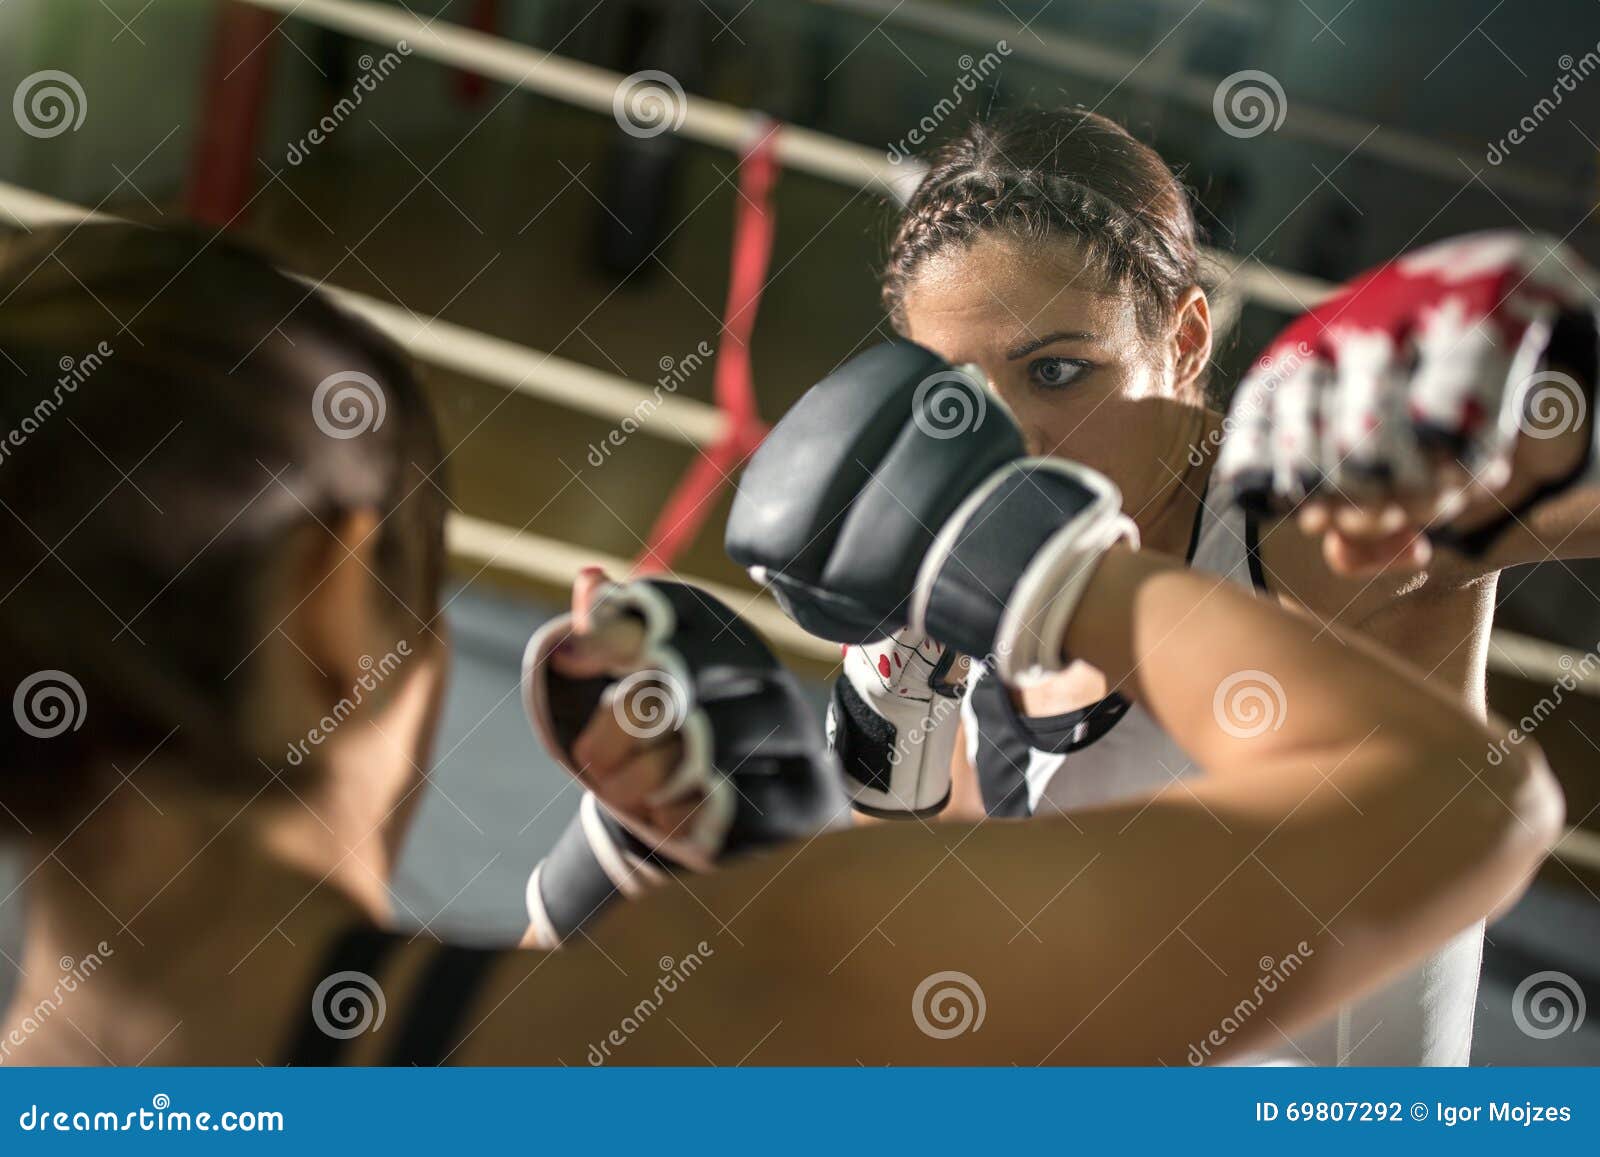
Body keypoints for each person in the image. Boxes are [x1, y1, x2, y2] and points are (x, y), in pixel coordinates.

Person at [0, 222, 1559, 1067]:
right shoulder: (729, 1000)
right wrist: (1038, 568)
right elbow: (1452, 801)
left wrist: (631, 863)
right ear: (327, 613)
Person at [618, 107, 1597, 1066]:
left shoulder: (1306, 523)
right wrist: (890, 775)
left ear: (1184, 341)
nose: (1017, 443)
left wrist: (1557, 427)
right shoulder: (958, 557)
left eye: (1058, 370)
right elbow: (962, 938)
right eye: (959, 394)